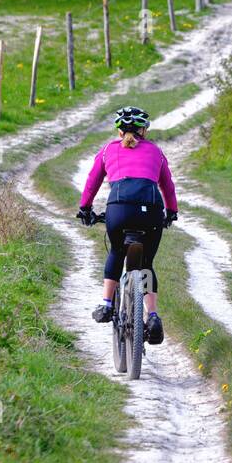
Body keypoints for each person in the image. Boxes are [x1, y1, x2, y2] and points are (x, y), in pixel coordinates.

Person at [77, 106, 178, 343]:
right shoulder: (156, 152)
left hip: (119, 209)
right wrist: (172, 212)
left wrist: (85, 208)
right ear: (143, 130)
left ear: (119, 131)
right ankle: (152, 314)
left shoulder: (107, 151)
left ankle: (105, 304)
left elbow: (92, 182)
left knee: (117, 250)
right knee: (147, 264)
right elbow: (168, 186)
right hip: (151, 210)